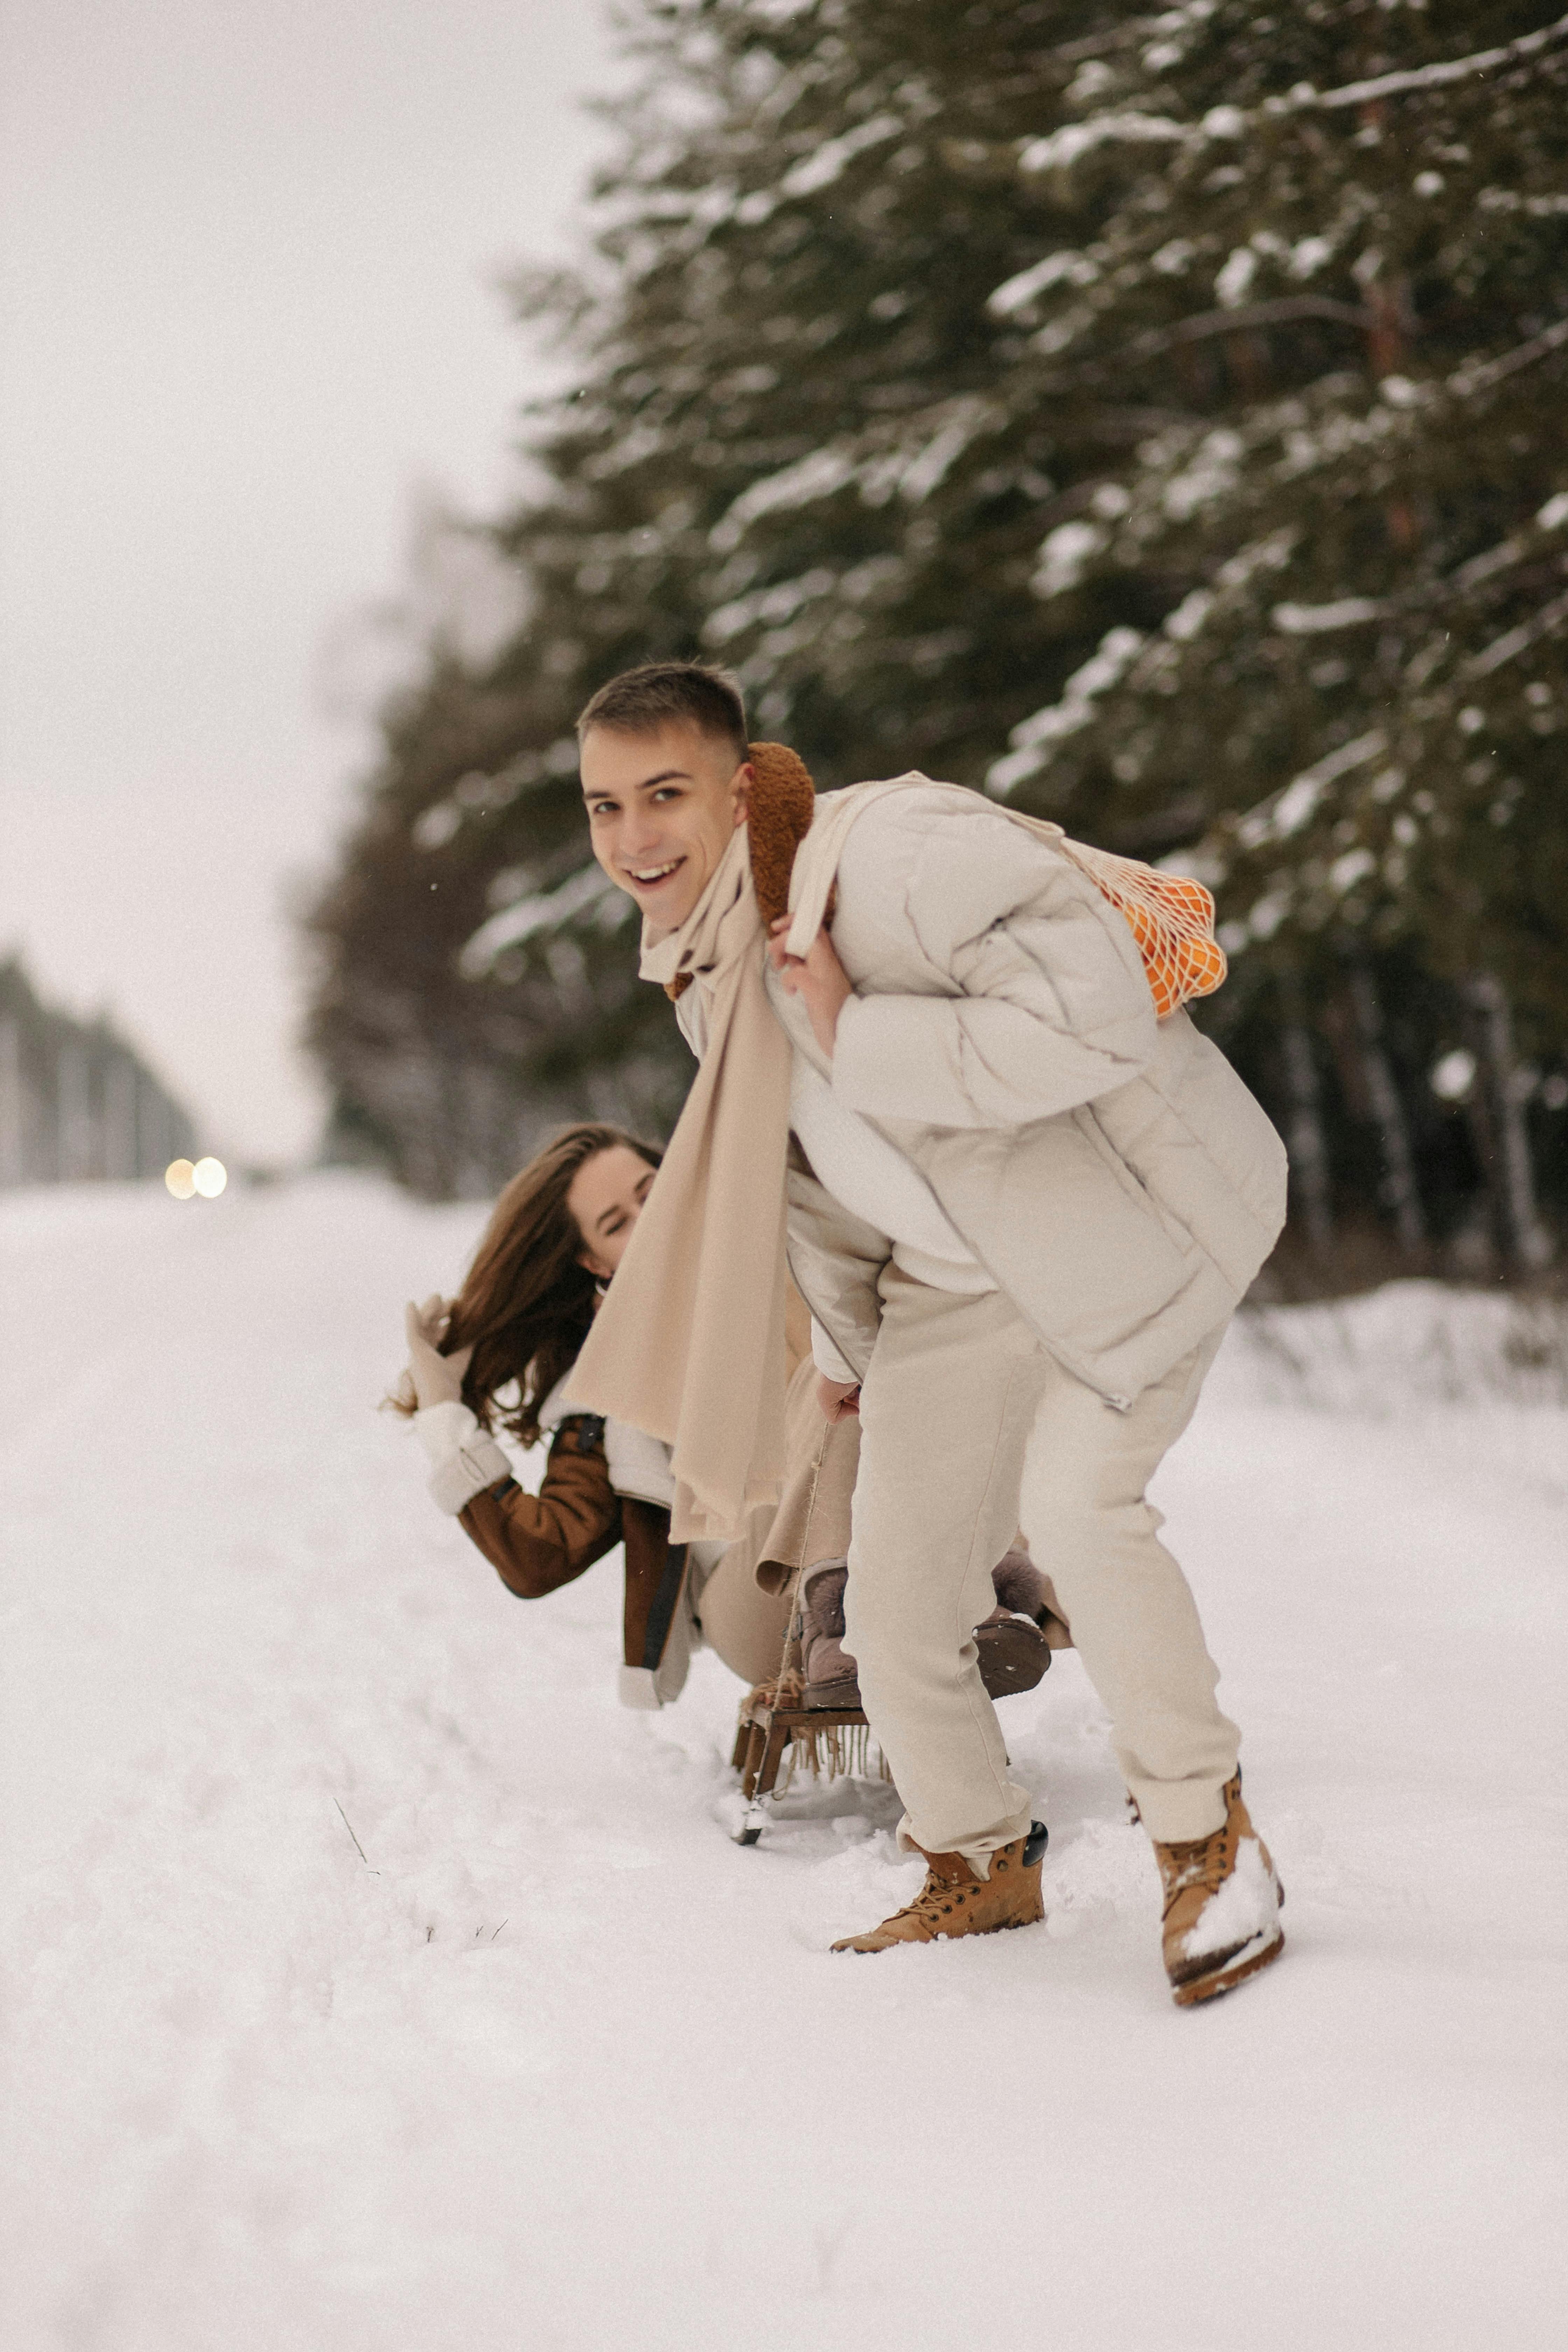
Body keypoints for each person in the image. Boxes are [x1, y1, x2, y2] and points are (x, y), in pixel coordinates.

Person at [567, 660, 1290, 2006]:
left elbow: (1098, 1019)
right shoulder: (706, 966)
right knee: (894, 1606)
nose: (632, 839)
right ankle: (981, 1860)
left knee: (1081, 1514)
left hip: (1132, 1228)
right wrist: (848, 1359)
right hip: (956, 1291)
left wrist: (859, 1024)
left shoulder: (894, 858)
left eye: (664, 795)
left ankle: (1211, 1845)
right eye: (604, 807)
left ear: (738, 785)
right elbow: (822, 1188)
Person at [390, 1121, 1057, 1720]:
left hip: (897, 1538)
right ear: (594, 1262)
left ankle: (980, 1583)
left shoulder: (792, 1265)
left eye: (653, 1192)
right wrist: (445, 1410)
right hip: (761, 1607)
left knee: (868, 1361)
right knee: (836, 1379)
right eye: (617, 1223)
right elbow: (537, 1559)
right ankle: (850, 1616)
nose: (649, 1222)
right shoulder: (608, 1385)